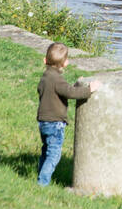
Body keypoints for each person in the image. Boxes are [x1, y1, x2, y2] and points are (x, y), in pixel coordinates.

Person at [37, 42, 100, 187]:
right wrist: (89, 89)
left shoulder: (45, 77)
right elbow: (70, 93)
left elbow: (60, 90)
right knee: (54, 154)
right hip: (55, 123)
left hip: (43, 121)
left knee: (46, 150)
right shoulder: (57, 80)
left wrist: (77, 84)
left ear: (45, 60)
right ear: (65, 63)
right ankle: (42, 182)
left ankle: (41, 174)